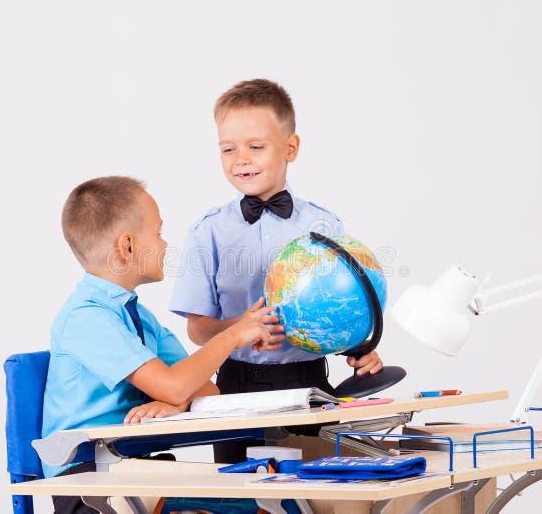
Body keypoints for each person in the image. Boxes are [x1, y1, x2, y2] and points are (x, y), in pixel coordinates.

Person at [169, 79, 384, 463]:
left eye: (256, 146)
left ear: (290, 148)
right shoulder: (208, 232)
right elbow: (198, 329)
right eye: (228, 149)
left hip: (309, 382)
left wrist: (360, 349)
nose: (241, 159)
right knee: (244, 499)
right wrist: (239, 329)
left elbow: (342, 309)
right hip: (235, 388)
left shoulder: (325, 227)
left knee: (317, 492)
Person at [42, 176, 281, 514]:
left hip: (132, 471)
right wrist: (232, 334)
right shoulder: (86, 317)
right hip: (86, 486)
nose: (166, 244)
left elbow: (206, 395)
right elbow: (172, 385)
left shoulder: (137, 315)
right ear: (126, 246)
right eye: (157, 233)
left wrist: (177, 404)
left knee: (262, 504)